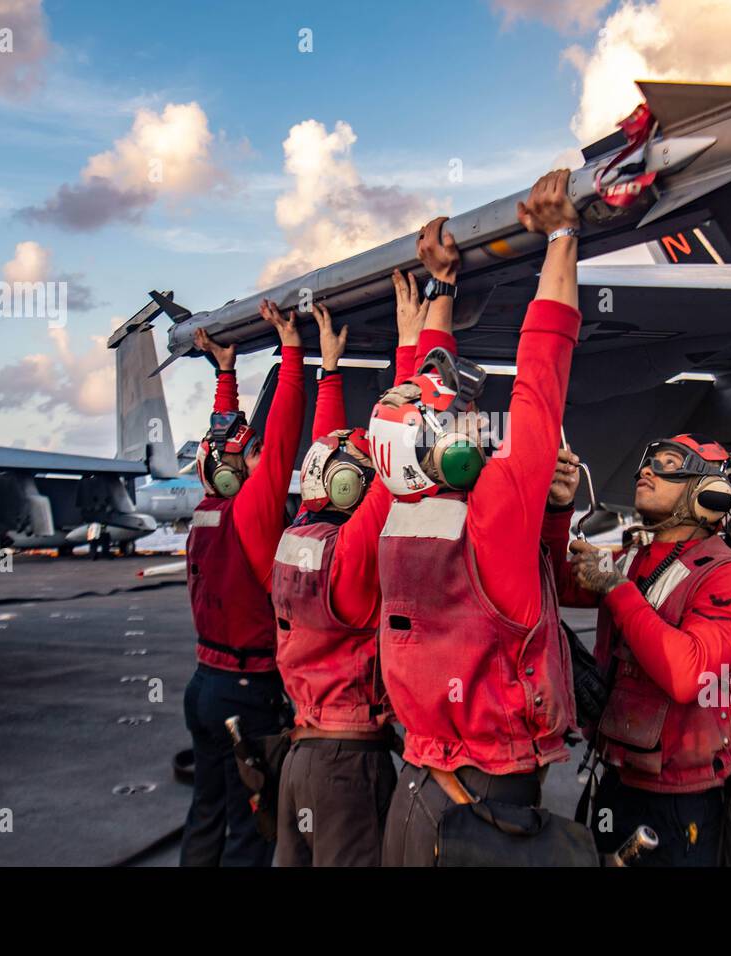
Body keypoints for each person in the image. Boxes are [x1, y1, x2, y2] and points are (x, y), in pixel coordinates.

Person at [368, 170, 583, 866]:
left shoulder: (397, 516)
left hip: (420, 789)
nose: (470, 424)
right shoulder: (493, 511)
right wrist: (560, 235)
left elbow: (427, 391)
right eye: (458, 418)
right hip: (491, 806)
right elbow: (541, 376)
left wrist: (442, 288)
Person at [271, 263, 459, 867]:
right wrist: (413, 348)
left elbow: (335, 453)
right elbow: (394, 446)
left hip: (301, 757)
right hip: (346, 766)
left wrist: (329, 371)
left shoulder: (300, 536)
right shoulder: (351, 558)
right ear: (351, 482)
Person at [550, 434, 731, 867]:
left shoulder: (728, 578)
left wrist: (615, 587)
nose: (646, 470)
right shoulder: (635, 557)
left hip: (683, 801)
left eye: (668, 463)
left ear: (710, 494)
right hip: (617, 783)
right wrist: (558, 510)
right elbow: (552, 581)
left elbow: (688, 675)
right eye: (649, 462)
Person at [179, 301, 305, 867]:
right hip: (248, 694)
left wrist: (225, 376)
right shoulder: (253, 512)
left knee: (206, 814)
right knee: (251, 829)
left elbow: (224, 443)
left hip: (204, 686)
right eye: (253, 457)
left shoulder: (208, 509)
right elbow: (280, 439)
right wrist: (295, 356)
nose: (263, 460)